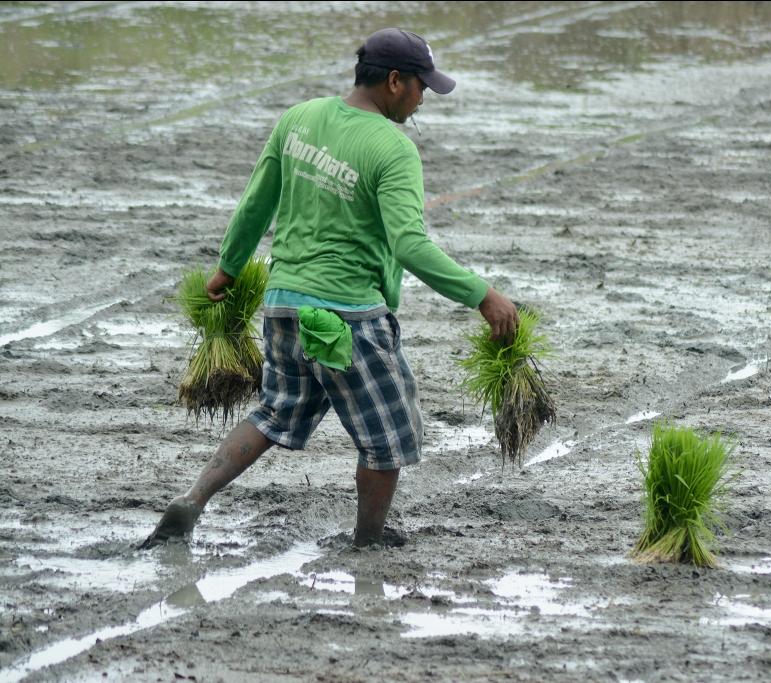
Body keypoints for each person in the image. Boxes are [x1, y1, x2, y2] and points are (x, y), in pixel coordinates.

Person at [141, 28, 518, 549]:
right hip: (350, 317)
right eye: (421, 86)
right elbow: (409, 245)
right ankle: (368, 540)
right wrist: (482, 294)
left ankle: (193, 499)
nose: (423, 98)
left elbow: (256, 203)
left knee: (275, 413)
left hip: (284, 308)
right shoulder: (393, 148)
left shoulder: (298, 119)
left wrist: (227, 268)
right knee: (388, 437)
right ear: (393, 81)